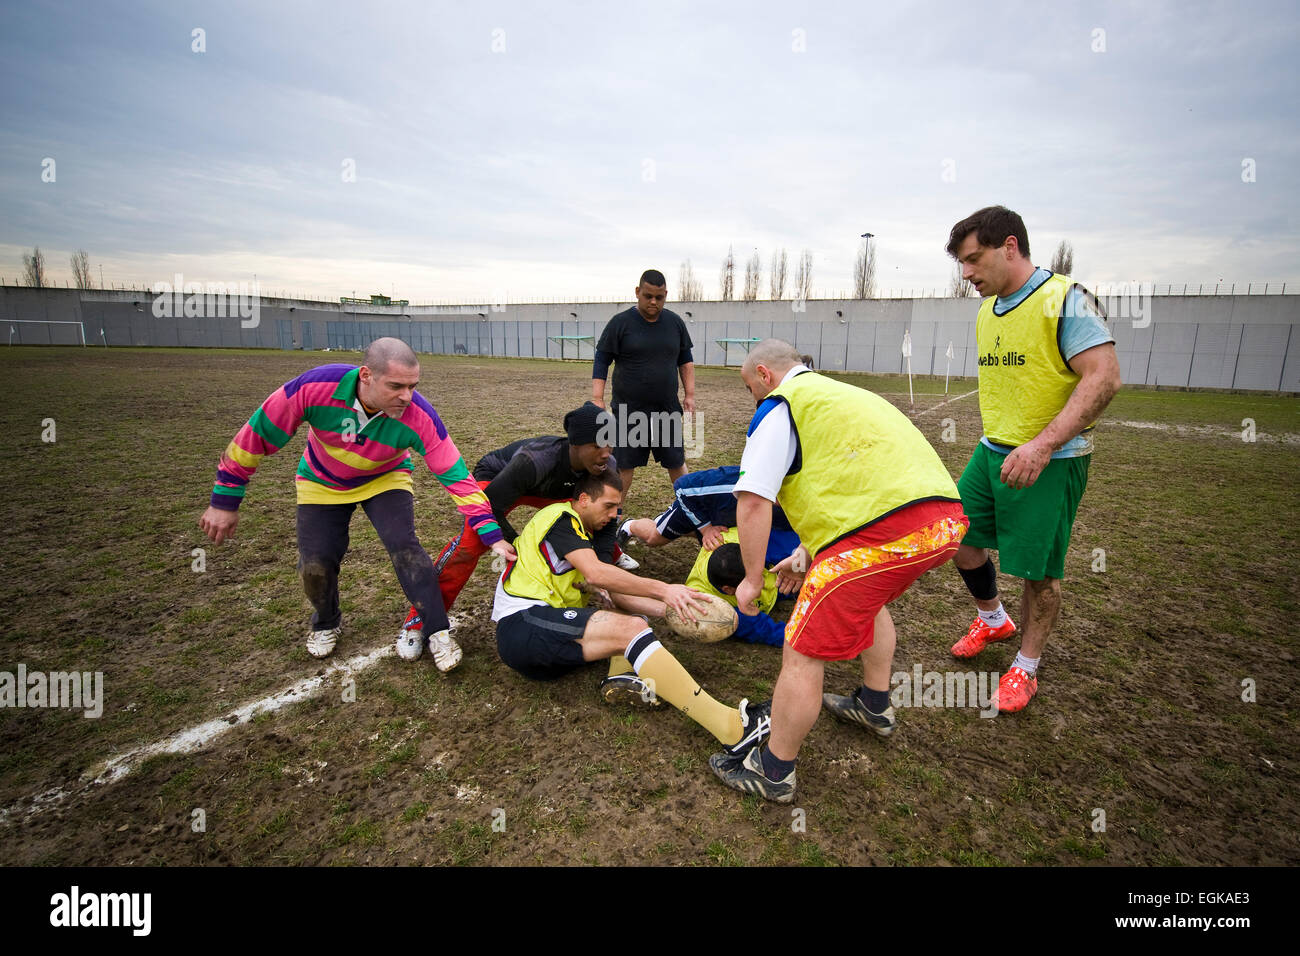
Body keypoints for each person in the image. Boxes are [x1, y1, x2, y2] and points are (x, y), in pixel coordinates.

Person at [709, 340, 969, 803]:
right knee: (871, 603)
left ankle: (773, 770)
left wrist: (751, 578)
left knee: (801, 649)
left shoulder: (780, 406)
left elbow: (751, 501)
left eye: (751, 388)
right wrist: (808, 552)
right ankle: (874, 705)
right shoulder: (842, 395)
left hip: (881, 537)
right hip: (942, 523)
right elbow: (860, 482)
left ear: (765, 375)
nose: (754, 399)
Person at [198, 338, 515, 671]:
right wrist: (224, 501)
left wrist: (491, 534)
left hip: (385, 478)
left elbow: (457, 476)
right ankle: (326, 621)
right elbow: (256, 434)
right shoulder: (315, 387)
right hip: (321, 481)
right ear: (366, 375)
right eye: (396, 386)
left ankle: (437, 630)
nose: (406, 396)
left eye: (412, 386)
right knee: (315, 561)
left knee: (405, 547)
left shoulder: (419, 415)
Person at [944, 205, 1121, 712]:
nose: (968, 274)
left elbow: (1103, 377)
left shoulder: (1065, 299)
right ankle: (994, 619)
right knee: (954, 534)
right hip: (991, 450)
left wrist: (1042, 444)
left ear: (1011, 247)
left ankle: (1026, 667)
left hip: (1053, 458)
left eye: (974, 260)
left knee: (1038, 573)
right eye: (962, 264)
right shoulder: (986, 311)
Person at [492, 471, 771, 755]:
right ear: (584, 500)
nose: (615, 515)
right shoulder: (562, 519)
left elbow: (615, 590)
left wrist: (679, 609)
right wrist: (664, 589)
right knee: (630, 631)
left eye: (618, 508)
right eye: (609, 506)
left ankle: (620, 677)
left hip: (544, 643)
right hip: (522, 626)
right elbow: (598, 573)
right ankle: (733, 729)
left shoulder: (583, 537)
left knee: (633, 622)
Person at [394, 401, 639, 651]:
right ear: (574, 444)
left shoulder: (606, 464)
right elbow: (492, 508)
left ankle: (611, 555)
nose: (606, 452)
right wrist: (518, 547)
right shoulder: (534, 460)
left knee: (593, 509)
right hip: (499, 484)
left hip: (556, 490)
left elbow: (611, 511)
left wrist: (602, 565)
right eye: (597, 445)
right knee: (470, 545)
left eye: (610, 443)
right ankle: (417, 620)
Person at [592, 269, 695, 495]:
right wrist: (597, 398)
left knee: (676, 461)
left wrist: (690, 395)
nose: (653, 302)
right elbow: (602, 359)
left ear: (666, 294)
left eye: (659, 297)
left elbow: (685, 360)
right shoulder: (620, 323)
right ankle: (614, 514)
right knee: (624, 464)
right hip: (629, 410)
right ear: (637, 292)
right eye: (648, 296)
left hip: (666, 409)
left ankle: (693, 510)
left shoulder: (675, 323)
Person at [617, 464, 795, 555]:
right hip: (699, 508)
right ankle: (630, 526)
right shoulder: (730, 485)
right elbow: (683, 487)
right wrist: (706, 528)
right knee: (654, 537)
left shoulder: (798, 505)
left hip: (729, 519)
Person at [684, 536, 796, 647]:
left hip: (780, 577)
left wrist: (799, 568)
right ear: (728, 590)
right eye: (754, 582)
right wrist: (799, 638)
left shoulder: (743, 537)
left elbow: (790, 549)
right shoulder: (705, 601)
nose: (761, 583)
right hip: (774, 589)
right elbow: (763, 629)